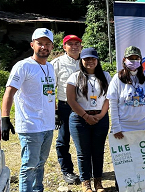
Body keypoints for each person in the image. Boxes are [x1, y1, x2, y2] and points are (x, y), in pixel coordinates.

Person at [1, 28, 56, 192]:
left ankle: (37, 189)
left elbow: (49, 93)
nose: (44, 47)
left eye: (47, 44)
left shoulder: (50, 68)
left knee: (40, 163)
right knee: (29, 166)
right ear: (32, 45)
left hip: (47, 125)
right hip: (30, 125)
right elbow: (9, 92)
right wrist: (5, 118)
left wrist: (56, 113)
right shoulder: (23, 66)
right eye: (40, 43)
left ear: (52, 47)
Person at [66, 48, 111, 192]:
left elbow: (109, 98)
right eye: (86, 59)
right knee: (83, 152)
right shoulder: (74, 77)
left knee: (98, 151)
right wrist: (86, 116)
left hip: (100, 118)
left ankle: (98, 182)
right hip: (79, 119)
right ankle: (86, 183)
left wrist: (101, 115)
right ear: (81, 61)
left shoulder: (106, 76)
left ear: (97, 60)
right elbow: (71, 100)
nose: (90, 61)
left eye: (93, 59)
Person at [106, 45, 145, 152]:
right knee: (127, 160)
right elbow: (113, 105)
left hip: (143, 127)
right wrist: (116, 127)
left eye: (136, 59)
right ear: (124, 60)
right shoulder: (117, 79)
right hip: (124, 127)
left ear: (141, 60)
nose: (134, 61)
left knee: (141, 159)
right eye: (130, 59)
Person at [51, 34, 82, 185]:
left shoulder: (86, 61)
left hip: (85, 105)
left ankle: (87, 170)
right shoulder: (56, 63)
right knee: (63, 140)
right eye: (70, 44)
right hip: (65, 106)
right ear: (64, 47)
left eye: (77, 44)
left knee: (86, 138)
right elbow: (50, 89)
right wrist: (54, 111)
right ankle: (67, 171)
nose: (74, 46)